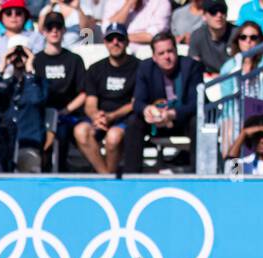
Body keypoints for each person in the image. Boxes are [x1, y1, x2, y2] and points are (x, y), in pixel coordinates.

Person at [122, 30, 201, 171]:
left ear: (176, 51)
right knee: (133, 122)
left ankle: (199, 175)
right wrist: (148, 110)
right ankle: (131, 177)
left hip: (182, 120)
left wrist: (171, 114)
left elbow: (196, 103)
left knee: (198, 122)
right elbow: (138, 101)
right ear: (154, 57)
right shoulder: (145, 68)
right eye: (161, 53)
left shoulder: (190, 67)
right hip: (155, 122)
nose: (167, 57)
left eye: (170, 51)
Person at [73, 22, 137, 174]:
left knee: (113, 137)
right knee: (81, 131)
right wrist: (96, 116)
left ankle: (107, 179)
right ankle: (106, 177)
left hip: (125, 118)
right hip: (101, 118)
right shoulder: (95, 69)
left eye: (120, 39)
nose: (115, 43)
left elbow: (135, 103)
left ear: (127, 41)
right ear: (105, 42)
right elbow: (90, 102)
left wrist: (112, 116)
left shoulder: (139, 67)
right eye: (111, 39)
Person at [36, 9, 83, 170]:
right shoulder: (36, 60)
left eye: (58, 27)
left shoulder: (74, 60)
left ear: (64, 30)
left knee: (62, 133)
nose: (54, 31)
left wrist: (65, 111)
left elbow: (83, 93)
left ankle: (61, 175)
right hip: (42, 114)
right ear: (43, 31)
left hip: (68, 113)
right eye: (50, 27)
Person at [0, 37, 46, 171]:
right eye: (14, 54)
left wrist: (30, 70)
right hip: (3, 142)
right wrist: (2, 66)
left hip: (28, 142)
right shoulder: (5, 84)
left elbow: (35, 99)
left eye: (23, 54)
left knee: (29, 166)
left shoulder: (39, 82)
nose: (19, 58)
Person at [0, 0, 43, 68]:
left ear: (25, 16)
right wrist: (2, 67)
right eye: (8, 13)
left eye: (18, 13)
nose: (13, 16)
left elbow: (42, 66)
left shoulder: (36, 38)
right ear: (1, 17)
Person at [187, 0, 231, 74]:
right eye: (213, 11)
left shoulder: (238, 35)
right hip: (209, 80)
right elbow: (193, 68)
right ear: (204, 16)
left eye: (223, 10)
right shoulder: (197, 36)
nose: (219, 15)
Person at [100, 0, 171, 44]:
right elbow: (106, 30)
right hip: (118, 52)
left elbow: (154, 35)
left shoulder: (161, 2)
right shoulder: (113, 2)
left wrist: (120, 36)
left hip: (147, 53)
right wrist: (128, 4)